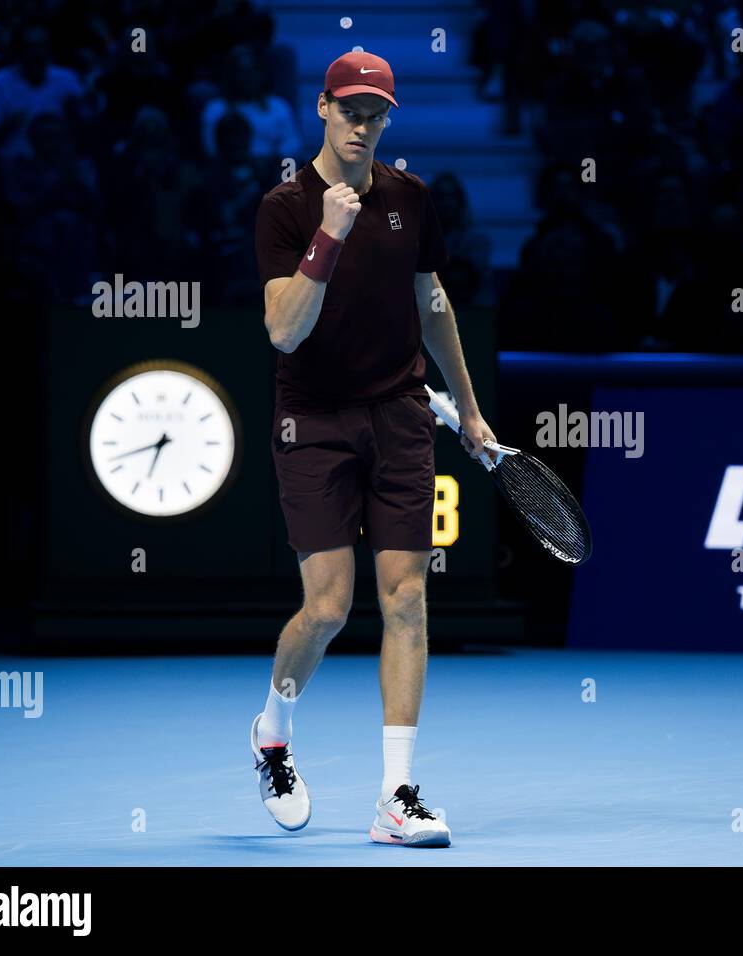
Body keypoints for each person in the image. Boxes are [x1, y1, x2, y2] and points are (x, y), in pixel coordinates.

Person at [252, 51, 498, 847]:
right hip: (315, 420)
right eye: (350, 109)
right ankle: (274, 730)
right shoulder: (286, 208)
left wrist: (469, 407)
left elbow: (432, 302)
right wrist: (328, 236)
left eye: (377, 112)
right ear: (322, 107)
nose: (364, 124)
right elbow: (283, 329)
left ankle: (397, 797)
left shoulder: (411, 198)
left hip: (399, 415)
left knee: (405, 599)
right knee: (326, 609)